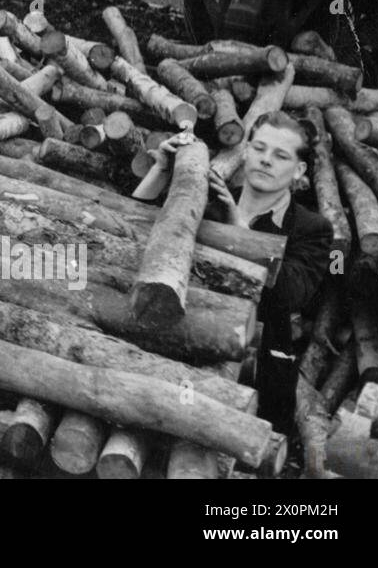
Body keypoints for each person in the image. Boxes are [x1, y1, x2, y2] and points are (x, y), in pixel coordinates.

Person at [142, 115, 333, 431]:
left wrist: (240, 233)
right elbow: (138, 229)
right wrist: (161, 168)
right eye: (259, 148)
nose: (266, 161)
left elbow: (292, 293)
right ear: (245, 152)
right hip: (182, 347)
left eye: (281, 155)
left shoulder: (312, 228)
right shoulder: (209, 200)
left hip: (254, 379)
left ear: (299, 170)